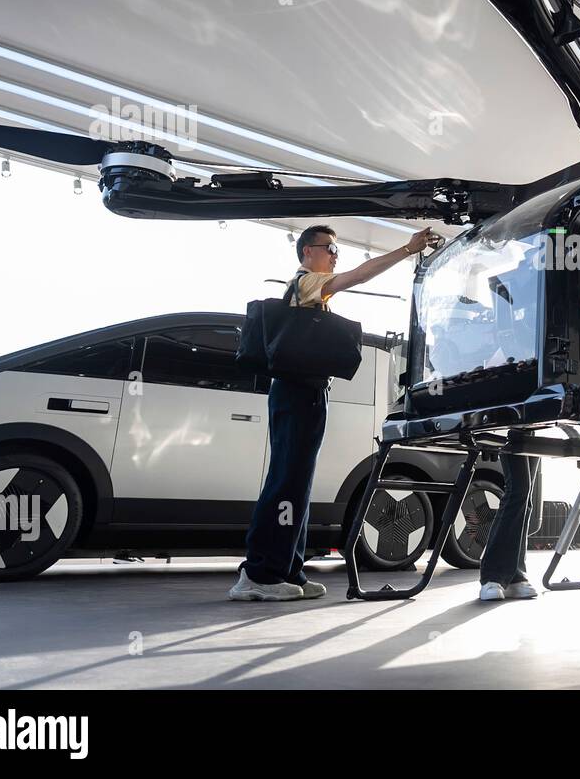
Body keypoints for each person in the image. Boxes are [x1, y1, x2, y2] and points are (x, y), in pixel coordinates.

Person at [230, 224, 433, 602]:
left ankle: (289, 569)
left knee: (298, 483)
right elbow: (356, 277)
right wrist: (407, 250)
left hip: (305, 392)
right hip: (296, 392)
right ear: (308, 251)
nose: (336, 254)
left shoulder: (310, 293)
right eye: (331, 247)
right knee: (286, 482)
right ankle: (260, 573)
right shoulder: (306, 283)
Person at [478, 458, 542, 601]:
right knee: (518, 488)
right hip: (508, 435)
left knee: (526, 497)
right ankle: (492, 576)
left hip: (527, 434)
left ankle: (514, 576)